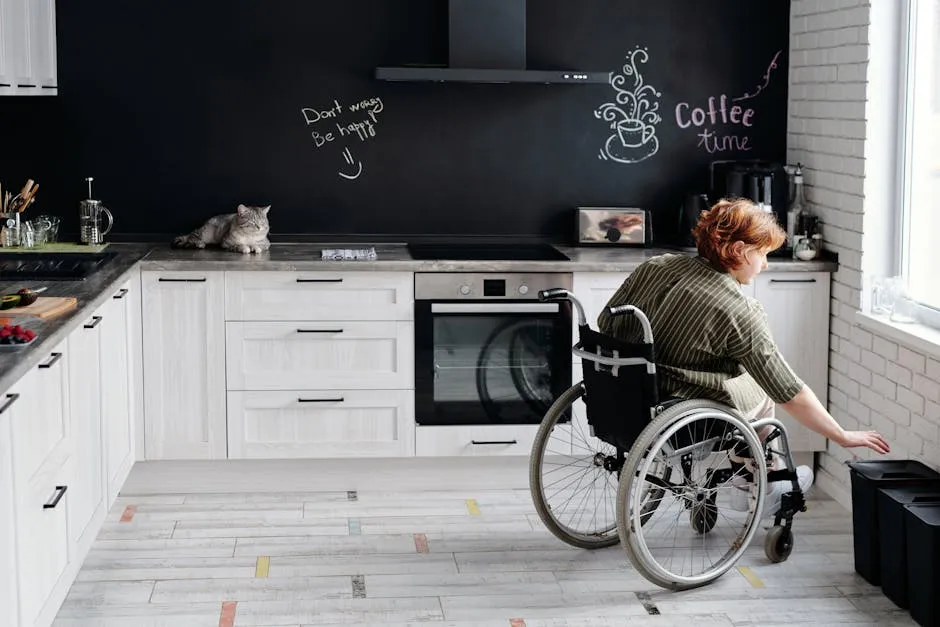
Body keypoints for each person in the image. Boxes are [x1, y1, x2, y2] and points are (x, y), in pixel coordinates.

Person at [597, 198, 890, 516]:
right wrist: (840, 434)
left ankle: (743, 469)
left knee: (744, 381)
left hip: (625, 393)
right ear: (738, 250)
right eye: (762, 254)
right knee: (763, 392)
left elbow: (606, 322)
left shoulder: (656, 266)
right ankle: (765, 483)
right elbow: (789, 391)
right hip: (678, 407)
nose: (765, 265)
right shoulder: (739, 311)